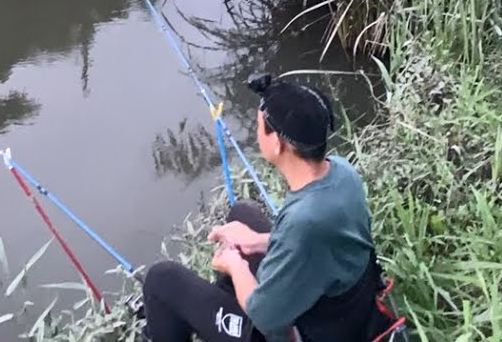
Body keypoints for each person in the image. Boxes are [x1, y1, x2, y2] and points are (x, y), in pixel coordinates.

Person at [139, 72, 393, 342]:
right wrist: (258, 242)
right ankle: (221, 310)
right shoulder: (342, 172)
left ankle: (227, 319)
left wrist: (236, 266)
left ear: (278, 142)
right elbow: (318, 243)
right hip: (347, 308)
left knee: (161, 280)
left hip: (302, 332)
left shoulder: (304, 222)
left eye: (259, 124)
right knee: (243, 215)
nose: (256, 131)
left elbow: (264, 316)